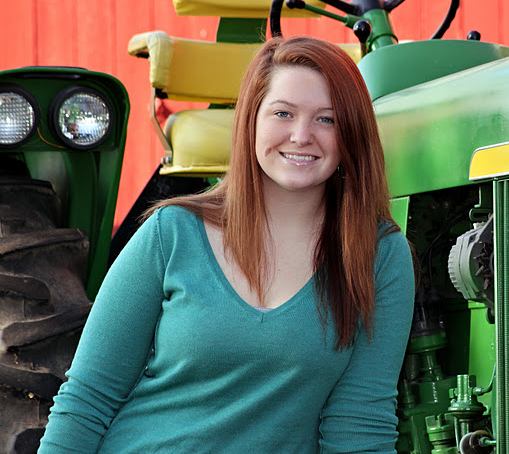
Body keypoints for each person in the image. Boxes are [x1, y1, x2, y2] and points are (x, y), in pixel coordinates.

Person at [39, 36, 415, 453]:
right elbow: (89, 398)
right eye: (283, 113)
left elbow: (359, 424)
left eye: (327, 120)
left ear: (353, 135)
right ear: (251, 120)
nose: (302, 135)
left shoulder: (377, 255)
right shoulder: (173, 232)